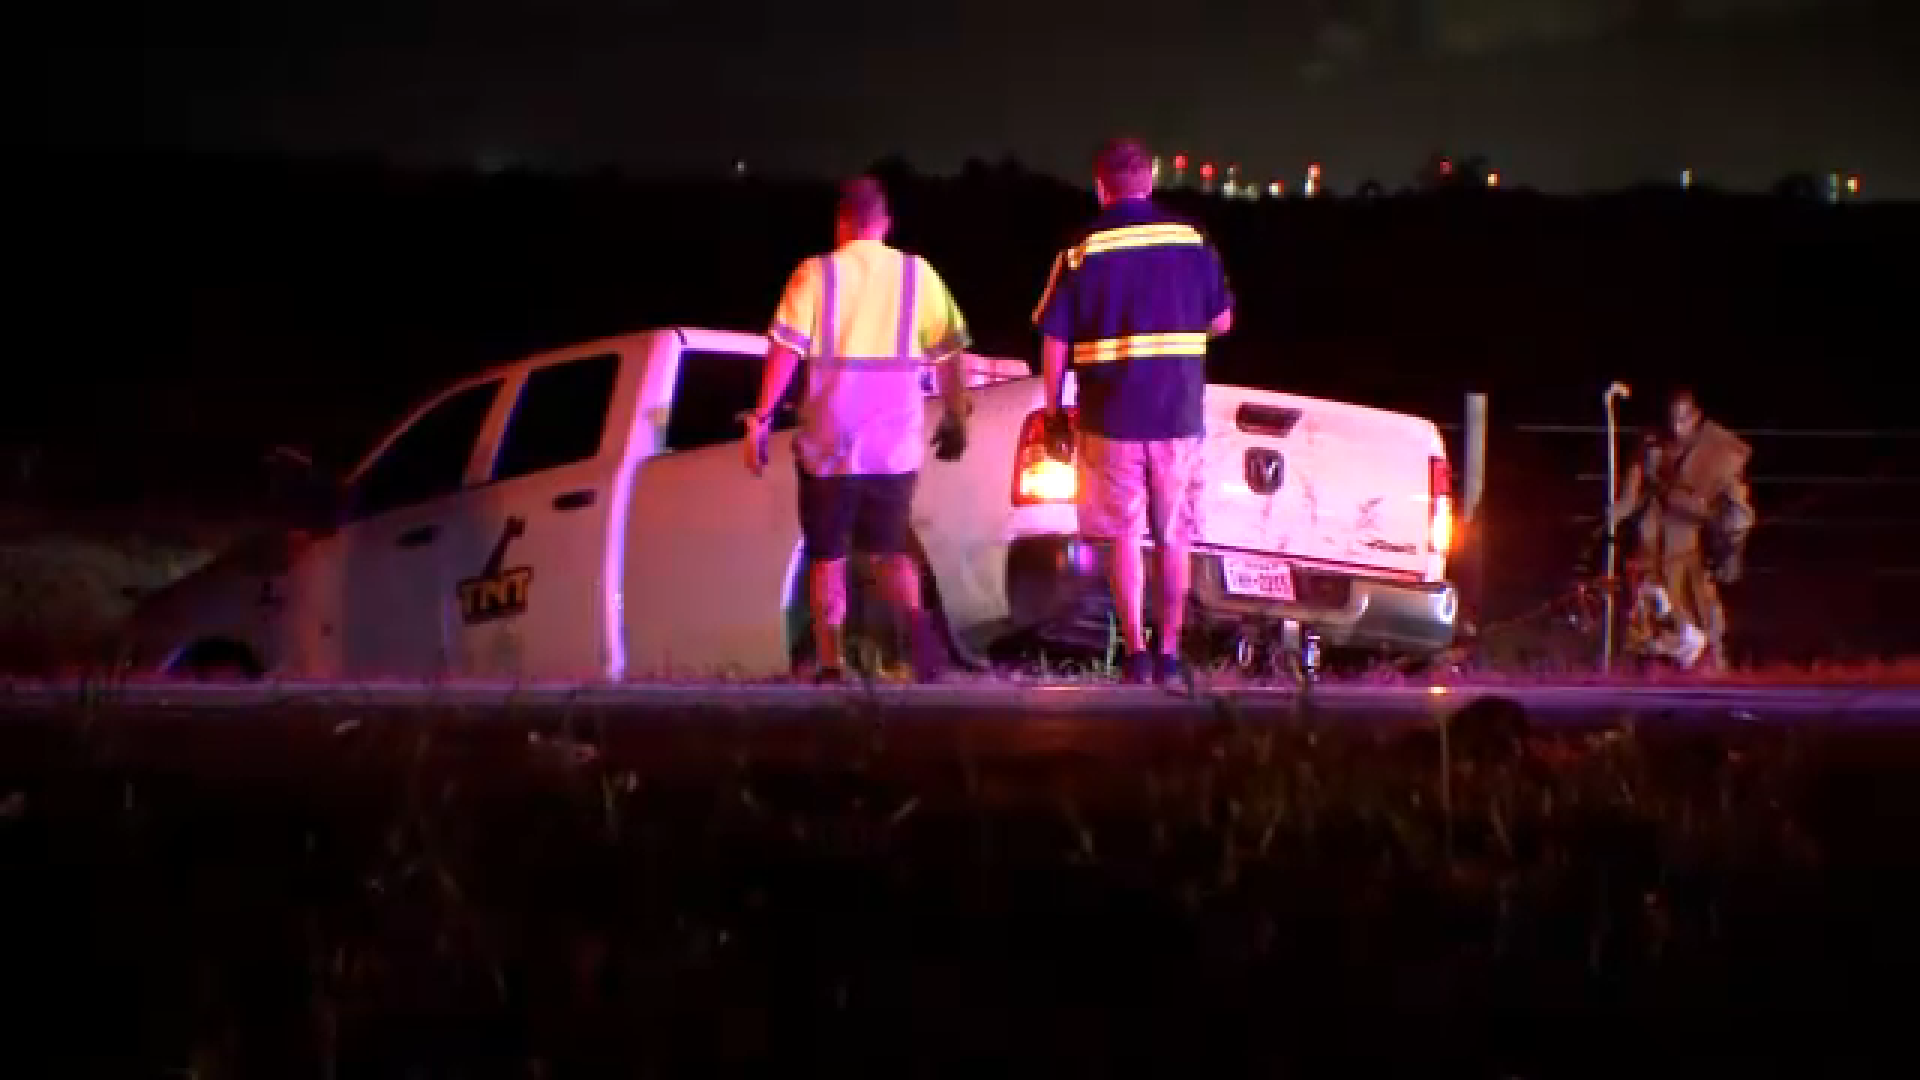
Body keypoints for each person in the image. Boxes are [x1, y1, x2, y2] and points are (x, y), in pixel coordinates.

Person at [744, 175, 973, 684]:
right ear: (885, 223)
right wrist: (957, 413)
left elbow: (785, 350)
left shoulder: (814, 273)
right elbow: (950, 351)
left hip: (830, 443)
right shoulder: (919, 274)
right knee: (890, 549)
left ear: (840, 221)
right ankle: (919, 635)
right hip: (894, 447)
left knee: (827, 554)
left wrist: (760, 417)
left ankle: (830, 664)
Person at [1032, 137, 1235, 685]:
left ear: (1101, 186)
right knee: (1174, 537)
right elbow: (1222, 322)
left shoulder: (1081, 249)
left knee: (1122, 537)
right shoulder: (1192, 239)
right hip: (1177, 418)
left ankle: (1136, 652)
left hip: (1110, 420)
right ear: (1151, 179)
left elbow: (1054, 338)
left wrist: (1055, 412)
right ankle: (1170, 652)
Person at [1612, 385, 1755, 672]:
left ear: (1695, 417)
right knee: (1648, 613)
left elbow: (1739, 511)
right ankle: (1649, 670)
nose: (1677, 427)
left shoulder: (1720, 450)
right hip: (1652, 540)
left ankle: (1708, 672)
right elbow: (1630, 492)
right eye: (1672, 420)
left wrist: (1729, 546)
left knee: (1699, 616)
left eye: (1683, 419)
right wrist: (1612, 519)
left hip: (1692, 543)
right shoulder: (1651, 443)